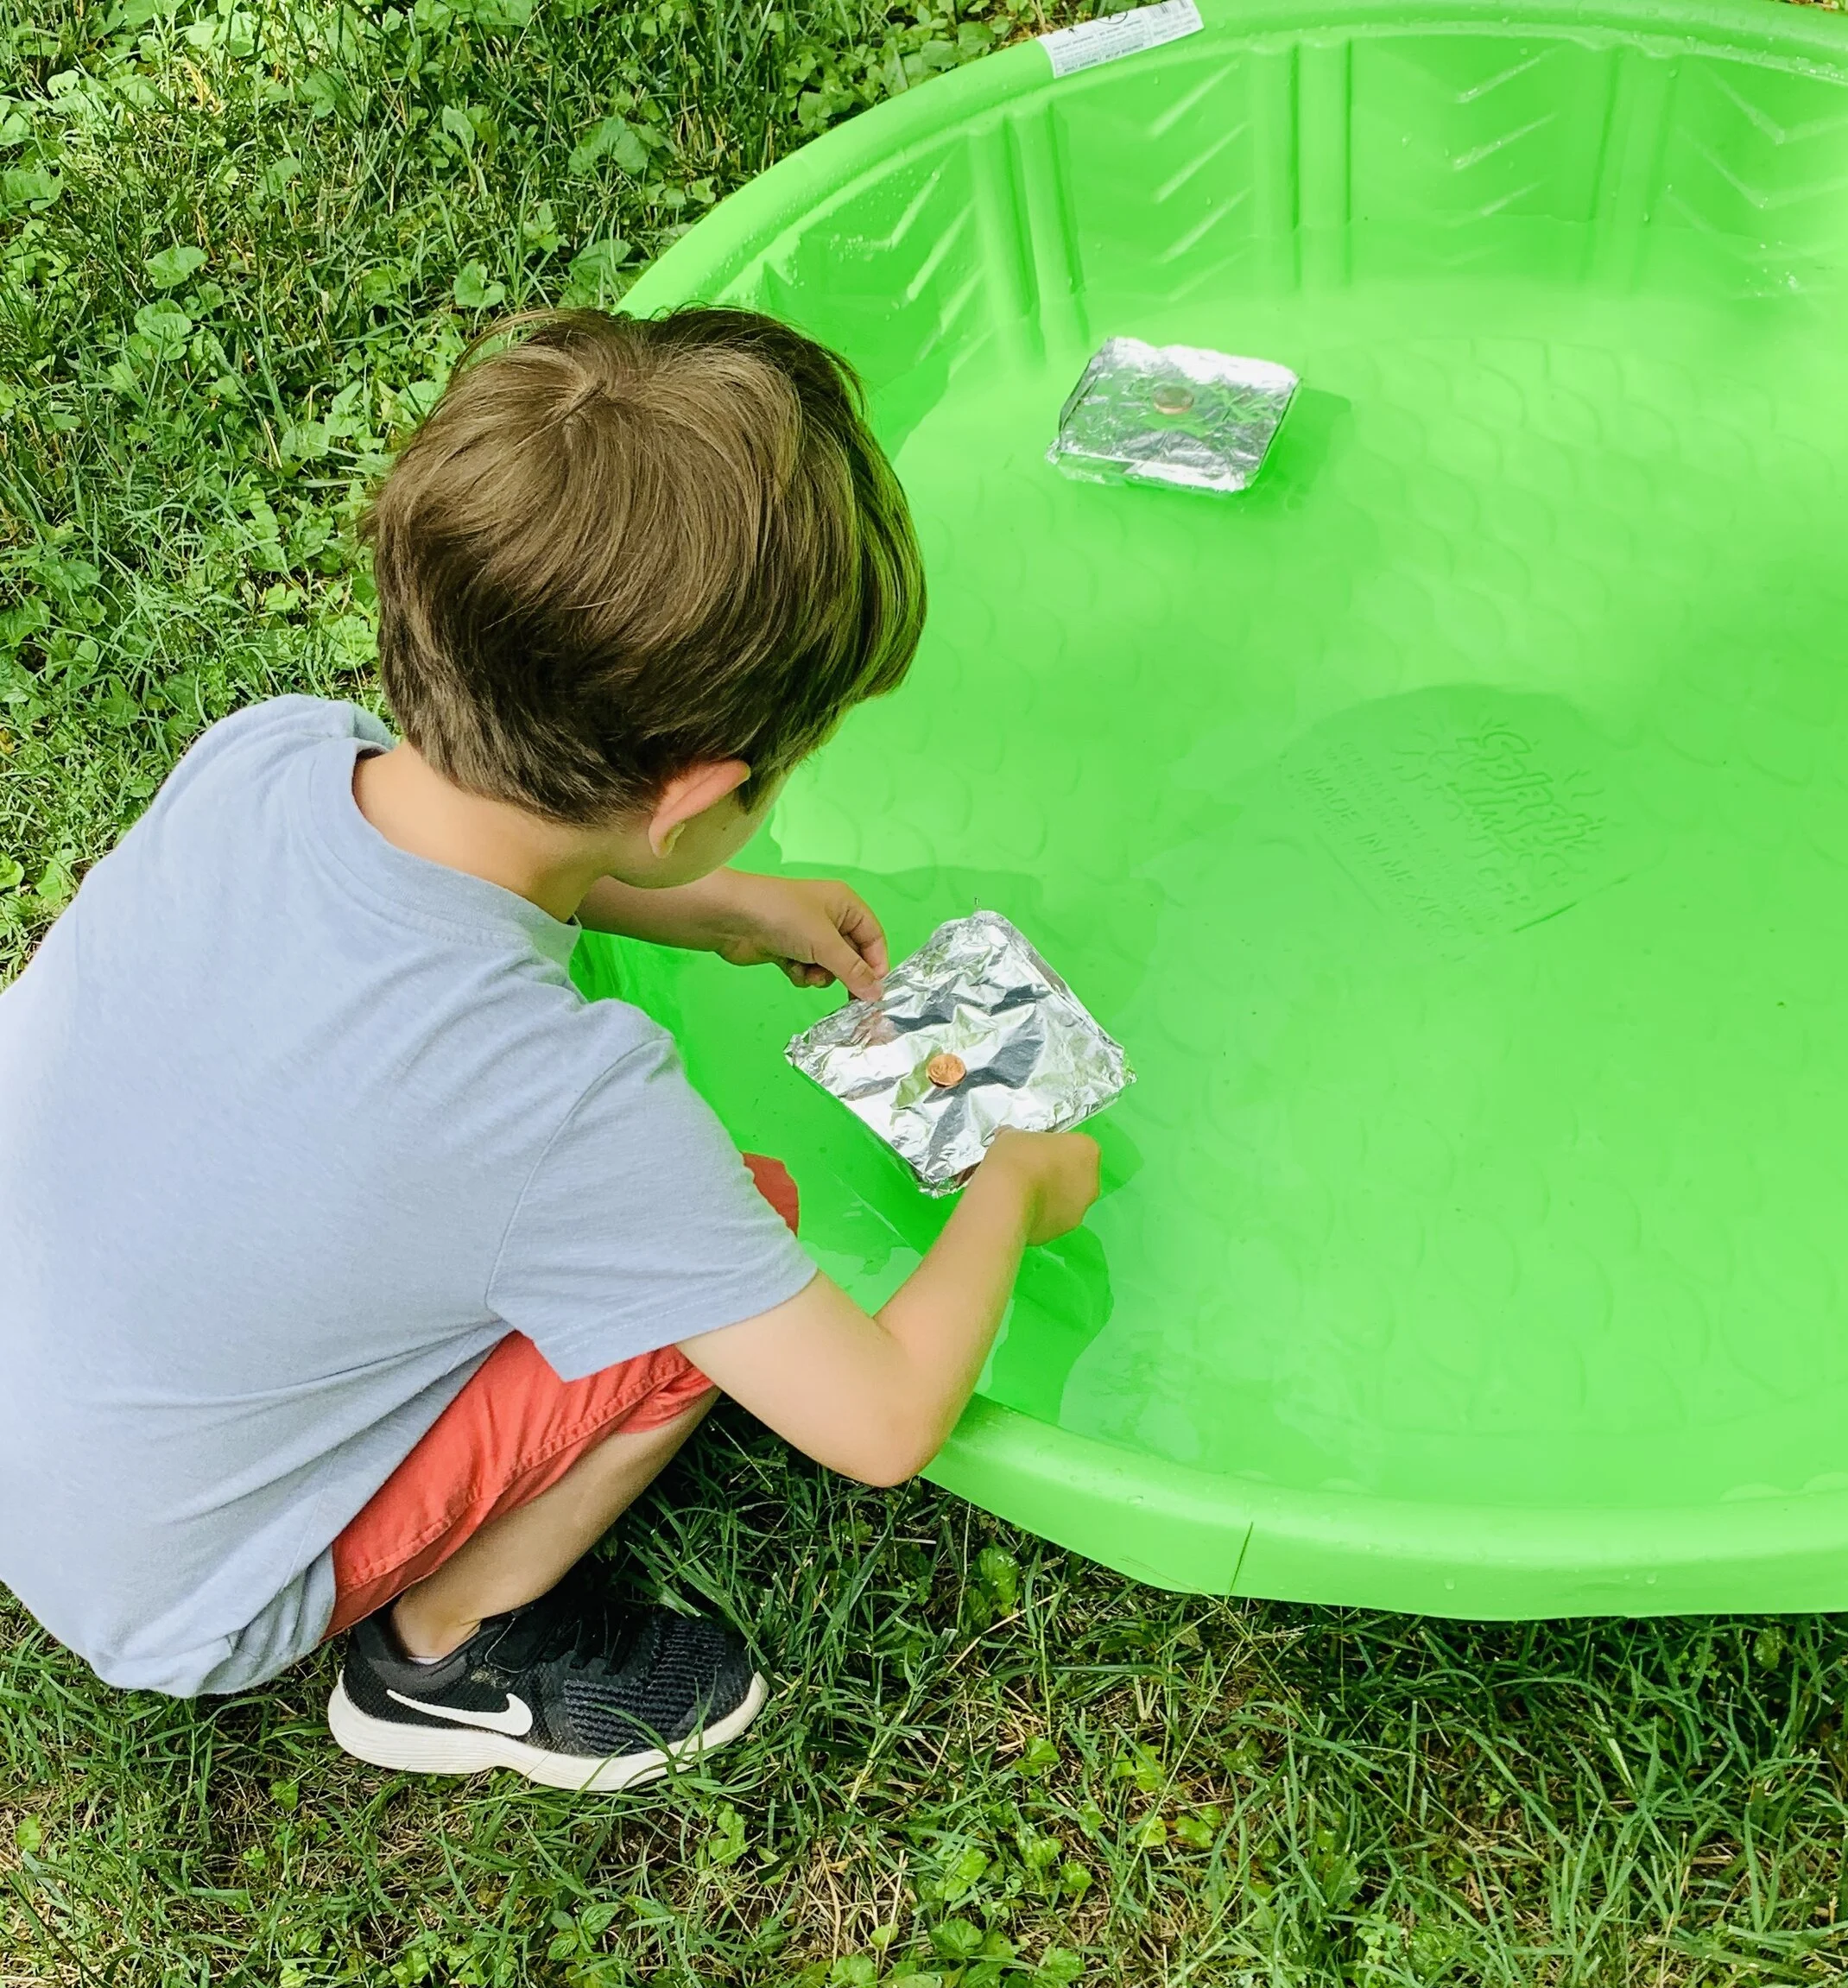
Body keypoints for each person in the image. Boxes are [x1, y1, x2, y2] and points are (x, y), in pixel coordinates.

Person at [0, 307, 1101, 1791]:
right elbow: (884, 1419)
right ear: (696, 793)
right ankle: (447, 1653)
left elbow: (471, 862)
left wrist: (708, 904)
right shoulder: (572, 1107)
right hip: (179, 1592)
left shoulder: (274, 752)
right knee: (727, 1239)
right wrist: (1011, 1185)